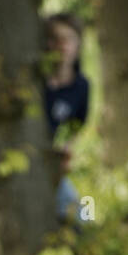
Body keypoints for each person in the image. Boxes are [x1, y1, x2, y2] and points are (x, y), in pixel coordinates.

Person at [43, 12, 91, 226]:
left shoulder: (81, 86)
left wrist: (65, 149)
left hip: (52, 167)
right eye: (54, 39)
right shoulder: (35, 84)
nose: (61, 46)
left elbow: (75, 125)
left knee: (82, 220)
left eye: (67, 39)